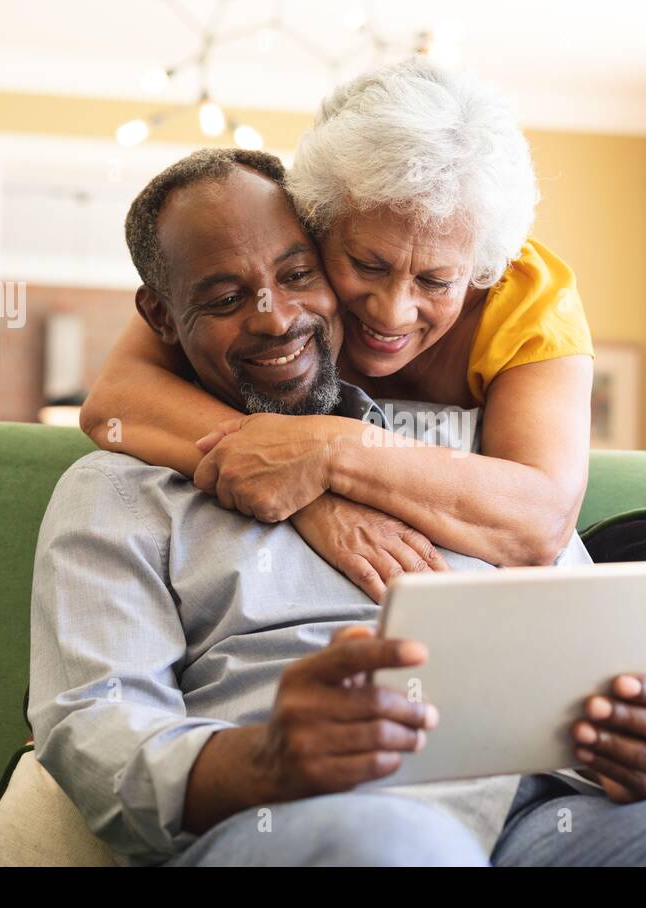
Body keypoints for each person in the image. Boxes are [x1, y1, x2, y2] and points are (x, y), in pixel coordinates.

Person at [27, 147, 646, 866]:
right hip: (305, 825)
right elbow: (97, 726)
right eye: (224, 297)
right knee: (398, 847)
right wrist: (266, 762)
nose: (274, 316)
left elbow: (583, 644)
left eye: (299, 274)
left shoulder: (468, 452)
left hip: (549, 828)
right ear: (158, 317)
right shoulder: (118, 492)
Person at [79, 57, 594, 601]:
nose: (393, 313)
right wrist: (311, 499)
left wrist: (330, 453)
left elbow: (541, 520)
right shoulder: (275, 265)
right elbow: (114, 405)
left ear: (481, 266)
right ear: (317, 220)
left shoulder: (527, 296)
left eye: (437, 280)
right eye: (368, 265)